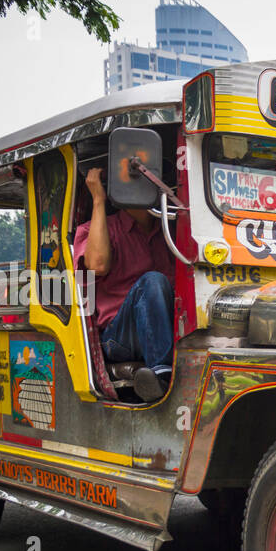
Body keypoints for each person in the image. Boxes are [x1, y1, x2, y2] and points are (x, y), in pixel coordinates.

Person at [73, 167, 175, 402]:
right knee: (152, 281)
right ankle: (162, 373)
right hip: (119, 337)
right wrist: (99, 199)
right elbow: (98, 265)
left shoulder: (170, 233)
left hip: (167, 330)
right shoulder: (97, 230)